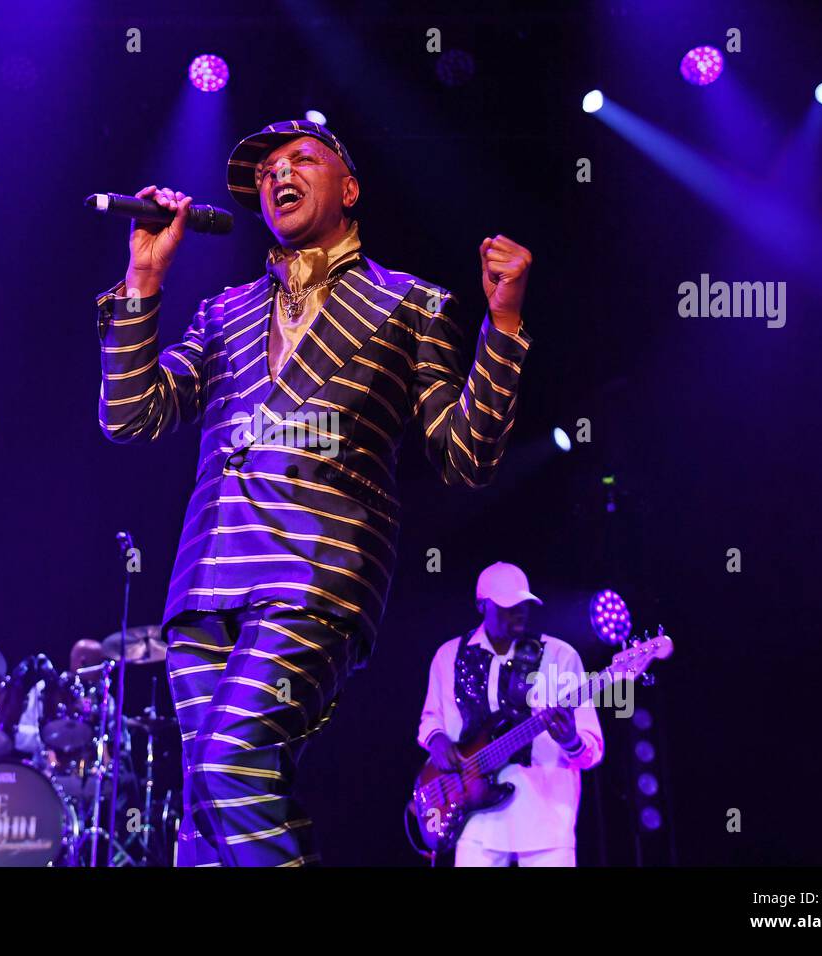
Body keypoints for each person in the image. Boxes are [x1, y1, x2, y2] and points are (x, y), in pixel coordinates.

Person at [96, 119, 534, 866]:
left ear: (349, 188)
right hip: (206, 580)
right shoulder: (223, 312)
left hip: (315, 572)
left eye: (300, 159)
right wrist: (144, 281)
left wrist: (504, 324)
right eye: (265, 171)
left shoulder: (409, 306)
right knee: (206, 817)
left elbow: (464, 456)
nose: (277, 176)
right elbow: (131, 416)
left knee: (229, 767)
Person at [418, 562, 603, 867]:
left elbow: (590, 752)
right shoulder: (448, 655)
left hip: (547, 821)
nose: (518, 611)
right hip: (476, 820)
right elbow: (431, 719)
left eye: (523, 604)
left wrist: (570, 740)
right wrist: (436, 739)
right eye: (507, 605)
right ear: (482, 606)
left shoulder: (560, 655)